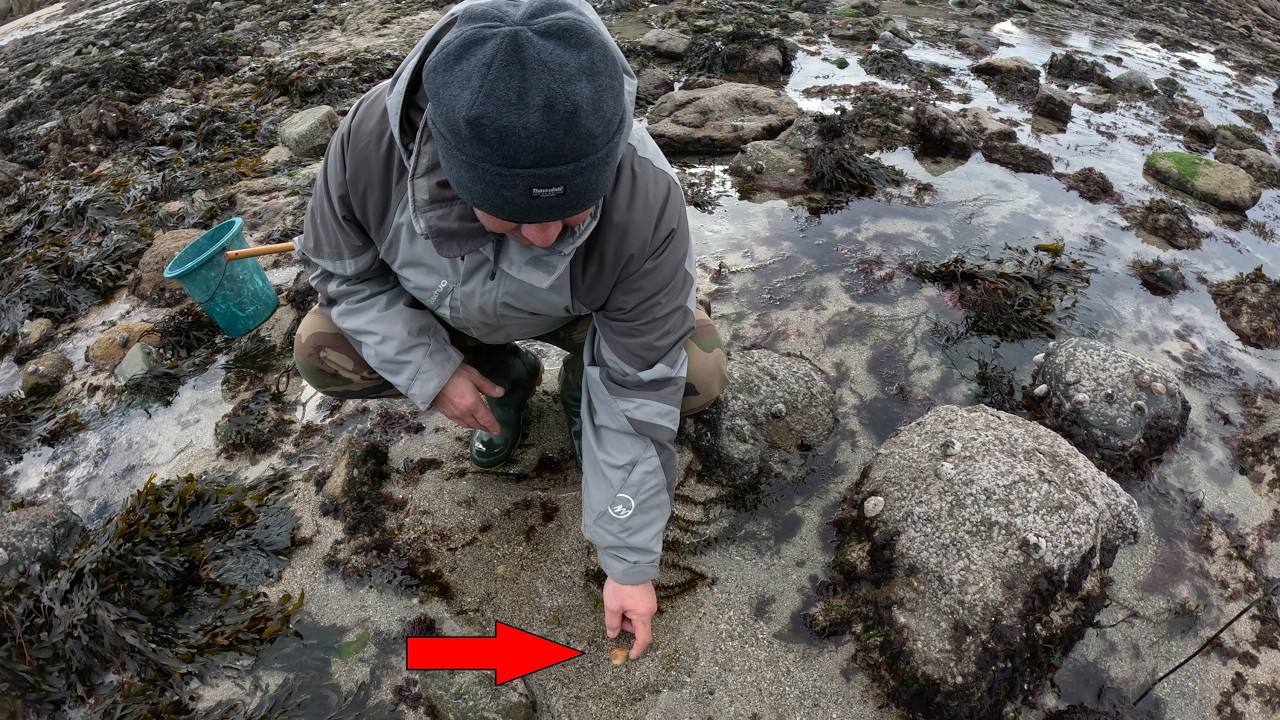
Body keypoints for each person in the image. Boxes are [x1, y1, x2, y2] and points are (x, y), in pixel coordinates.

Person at [291, 0, 729, 659]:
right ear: (454, 170)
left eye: (572, 209)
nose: (546, 235)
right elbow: (341, 274)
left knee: (696, 370)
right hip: (442, 313)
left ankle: (582, 388)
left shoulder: (646, 196)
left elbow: (642, 382)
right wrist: (430, 370)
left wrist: (628, 561)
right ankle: (503, 379)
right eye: (513, 212)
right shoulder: (369, 143)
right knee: (321, 350)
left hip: (583, 317)